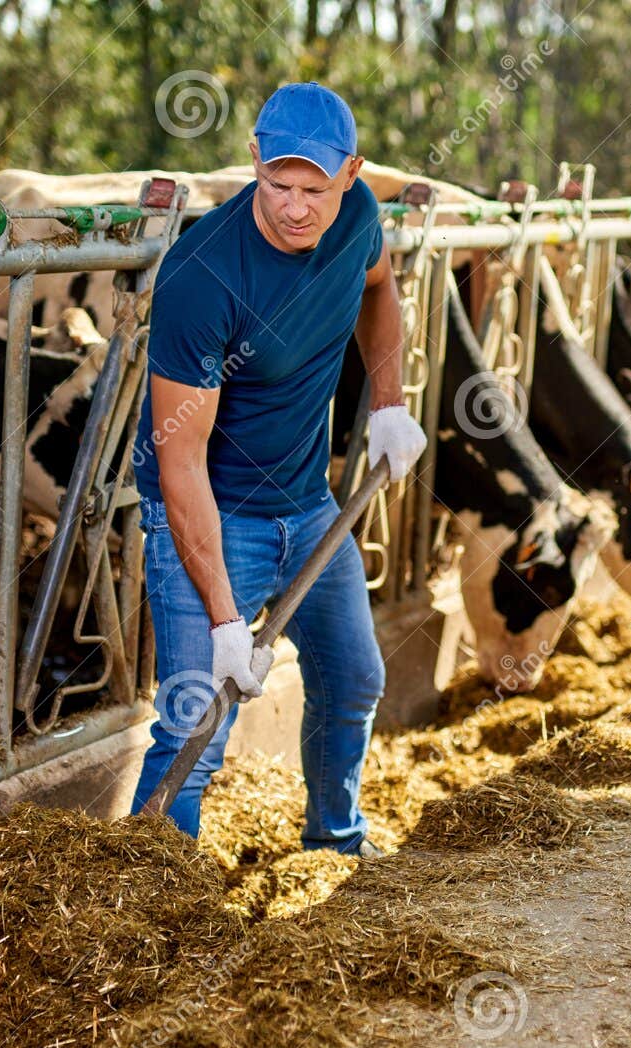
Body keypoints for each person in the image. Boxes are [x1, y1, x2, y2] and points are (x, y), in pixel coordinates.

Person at [127, 82, 426, 856]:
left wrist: (388, 401)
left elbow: (381, 286)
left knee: (355, 678)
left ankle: (336, 844)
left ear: (353, 174)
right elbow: (180, 460)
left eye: (315, 190)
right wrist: (227, 619)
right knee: (195, 722)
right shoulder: (202, 275)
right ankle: (144, 911)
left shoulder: (357, 220)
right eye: (278, 185)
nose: (296, 208)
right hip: (210, 513)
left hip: (308, 505)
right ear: (254, 160)